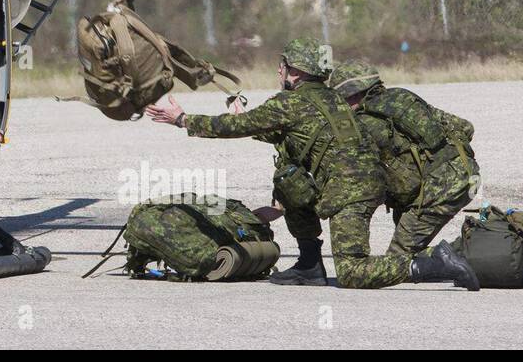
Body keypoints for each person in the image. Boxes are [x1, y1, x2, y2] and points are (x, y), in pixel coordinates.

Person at [145, 38, 478, 290]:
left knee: (352, 273)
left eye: (283, 66)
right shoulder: (333, 100)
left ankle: (433, 265)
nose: (279, 71)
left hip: (351, 191)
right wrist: (277, 201)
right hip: (365, 183)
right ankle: (309, 265)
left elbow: (232, 128)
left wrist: (182, 119)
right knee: (290, 178)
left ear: (296, 72)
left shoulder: (290, 103)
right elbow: (299, 140)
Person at [327, 59, 479, 263]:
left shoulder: (364, 123)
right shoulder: (403, 96)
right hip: (467, 171)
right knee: (407, 232)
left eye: (342, 100)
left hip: (442, 188)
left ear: (353, 94)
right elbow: (466, 128)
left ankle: (472, 250)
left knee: (398, 263)